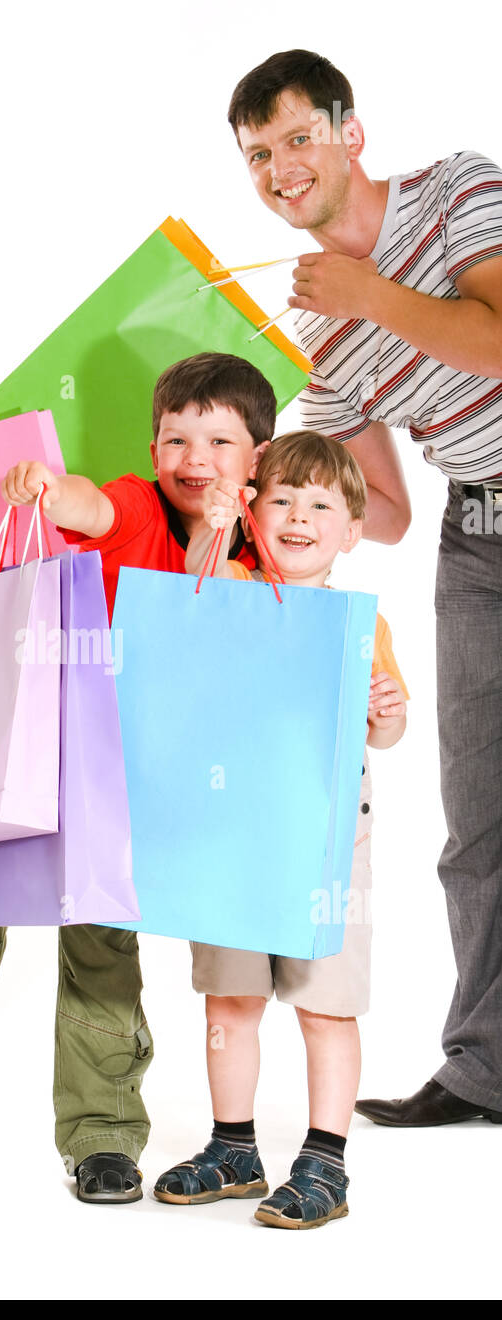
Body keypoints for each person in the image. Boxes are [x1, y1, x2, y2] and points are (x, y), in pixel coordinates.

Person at [0, 351, 272, 1202]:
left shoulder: (259, 554)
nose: (191, 458)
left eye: (217, 441)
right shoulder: (136, 504)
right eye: (175, 438)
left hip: (115, 781)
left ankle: (101, 1131)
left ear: (258, 460)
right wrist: (49, 492)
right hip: (22, 740)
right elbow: (91, 503)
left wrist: (219, 533)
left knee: (101, 951)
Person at [226, 49, 502, 1128]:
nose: (281, 169)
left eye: (297, 138)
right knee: (474, 822)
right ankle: (482, 1069)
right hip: (472, 538)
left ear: (349, 131)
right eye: (258, 156)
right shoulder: (321, 331)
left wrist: (371, 296)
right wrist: (268, 484)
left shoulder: (458, 191)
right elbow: (376, 510)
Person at [154, 431, 407, 1228]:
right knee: (230, 999)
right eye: (283, 500)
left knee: (325, 1003)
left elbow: (385, 729)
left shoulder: (358, 621)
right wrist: (213, 527)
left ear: (351, 530)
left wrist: (388, 712)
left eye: (322, 505)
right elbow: (183, 603)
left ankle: (325, 1161)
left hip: (327, 835)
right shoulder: (227, 582)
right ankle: (233, 1147)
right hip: (230, 833)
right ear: (256, 513)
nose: (299, 516)